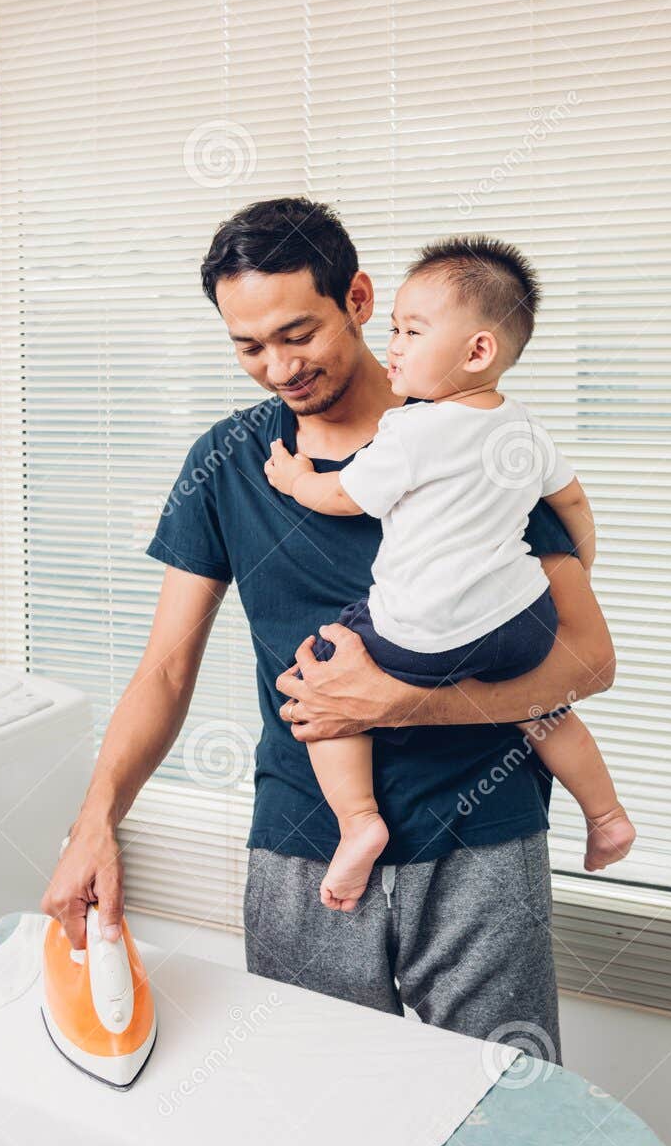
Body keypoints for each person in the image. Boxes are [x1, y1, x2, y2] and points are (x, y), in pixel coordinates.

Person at [41, 198, 631, 1059]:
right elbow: (166, 670)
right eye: (248, 347)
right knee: (312, 1123)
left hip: (482, 841)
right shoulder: (230, 463)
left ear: (357, 298)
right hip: (302, 848)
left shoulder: (471, 442)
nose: (278, 367)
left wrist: (396, 703)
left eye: (298, 333)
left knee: (504, 1118)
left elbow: (587, 660)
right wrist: (94, 823)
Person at [263, 235, 636, 913]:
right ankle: (607, 815)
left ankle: (357, 822)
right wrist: (584, 560)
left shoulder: (409, 432)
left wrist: (295, 479)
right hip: (522, 623)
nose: (394, 345)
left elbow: (343, 495)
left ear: (477, 351)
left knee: (320, 674)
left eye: (411, 330)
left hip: (424, 633)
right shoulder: (525, 428)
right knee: (546, 711)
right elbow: (575, 504)